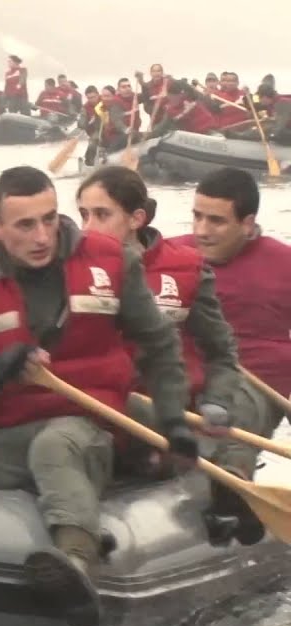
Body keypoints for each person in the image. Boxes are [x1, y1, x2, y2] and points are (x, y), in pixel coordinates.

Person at [0, 166, 196, 626]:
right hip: (4, 430)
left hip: (90, 417)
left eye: (50, 219)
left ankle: (77, 563)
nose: (42, 236)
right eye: (25, 225)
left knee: (57, 447)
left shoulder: (111, 261)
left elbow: (160, 345)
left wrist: (172, 419)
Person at [74, 166, 262, 543]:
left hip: (169, 413)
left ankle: (230, 487)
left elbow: (222, 353)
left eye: (101, 215)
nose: (87, 228)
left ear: (136, 218)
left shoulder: (186, 269)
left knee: (242, 409)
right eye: (83, 215)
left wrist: (217, 401)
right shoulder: (69, 269)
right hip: (105, 407)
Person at [169, 168, 291, 521]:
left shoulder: (283, 264)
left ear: (248, 223)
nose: (202, 231)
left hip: (255, 385)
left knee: (240, 403)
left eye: (217, 221)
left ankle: (235, 485)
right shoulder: (173, 256)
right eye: (197, 216)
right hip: (187, 376)